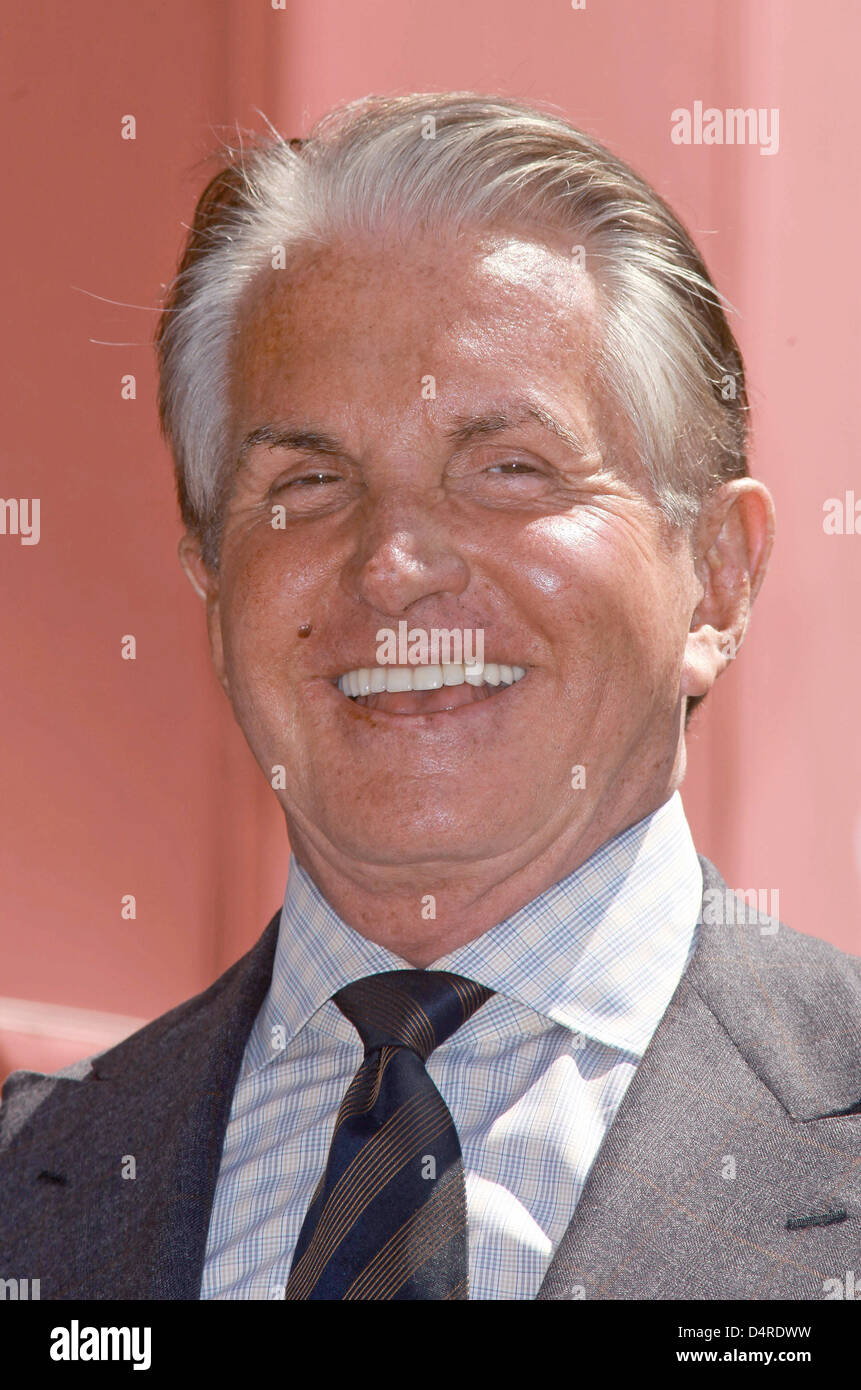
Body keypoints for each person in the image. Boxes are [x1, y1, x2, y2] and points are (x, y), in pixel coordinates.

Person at [2, 92, 859, 1302]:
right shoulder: (29, 1196)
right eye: (306, 480)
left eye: (509, 468)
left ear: (715, 579)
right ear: (209, 571)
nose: (394, 566)